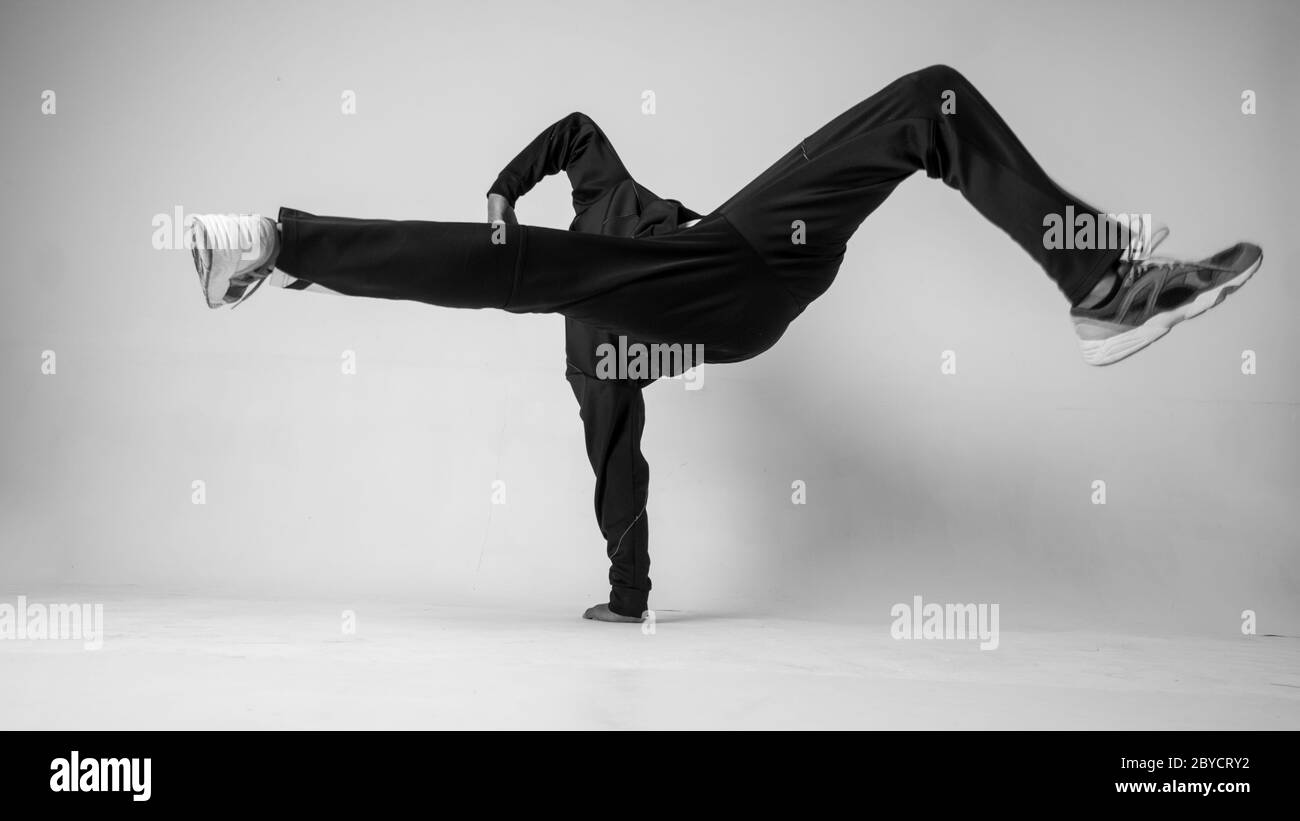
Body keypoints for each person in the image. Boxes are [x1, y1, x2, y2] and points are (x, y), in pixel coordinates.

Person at [184, 65, 1262, 622]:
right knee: (533, 284)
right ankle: (280, 243)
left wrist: (507, 185)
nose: (583, 187)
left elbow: (574, 130)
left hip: (751, 261)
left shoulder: (601, 187)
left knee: (929, 99)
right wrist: (630, 588)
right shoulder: (591, 326)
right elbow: (616, 448)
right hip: (703, 308)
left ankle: (1101, 279)